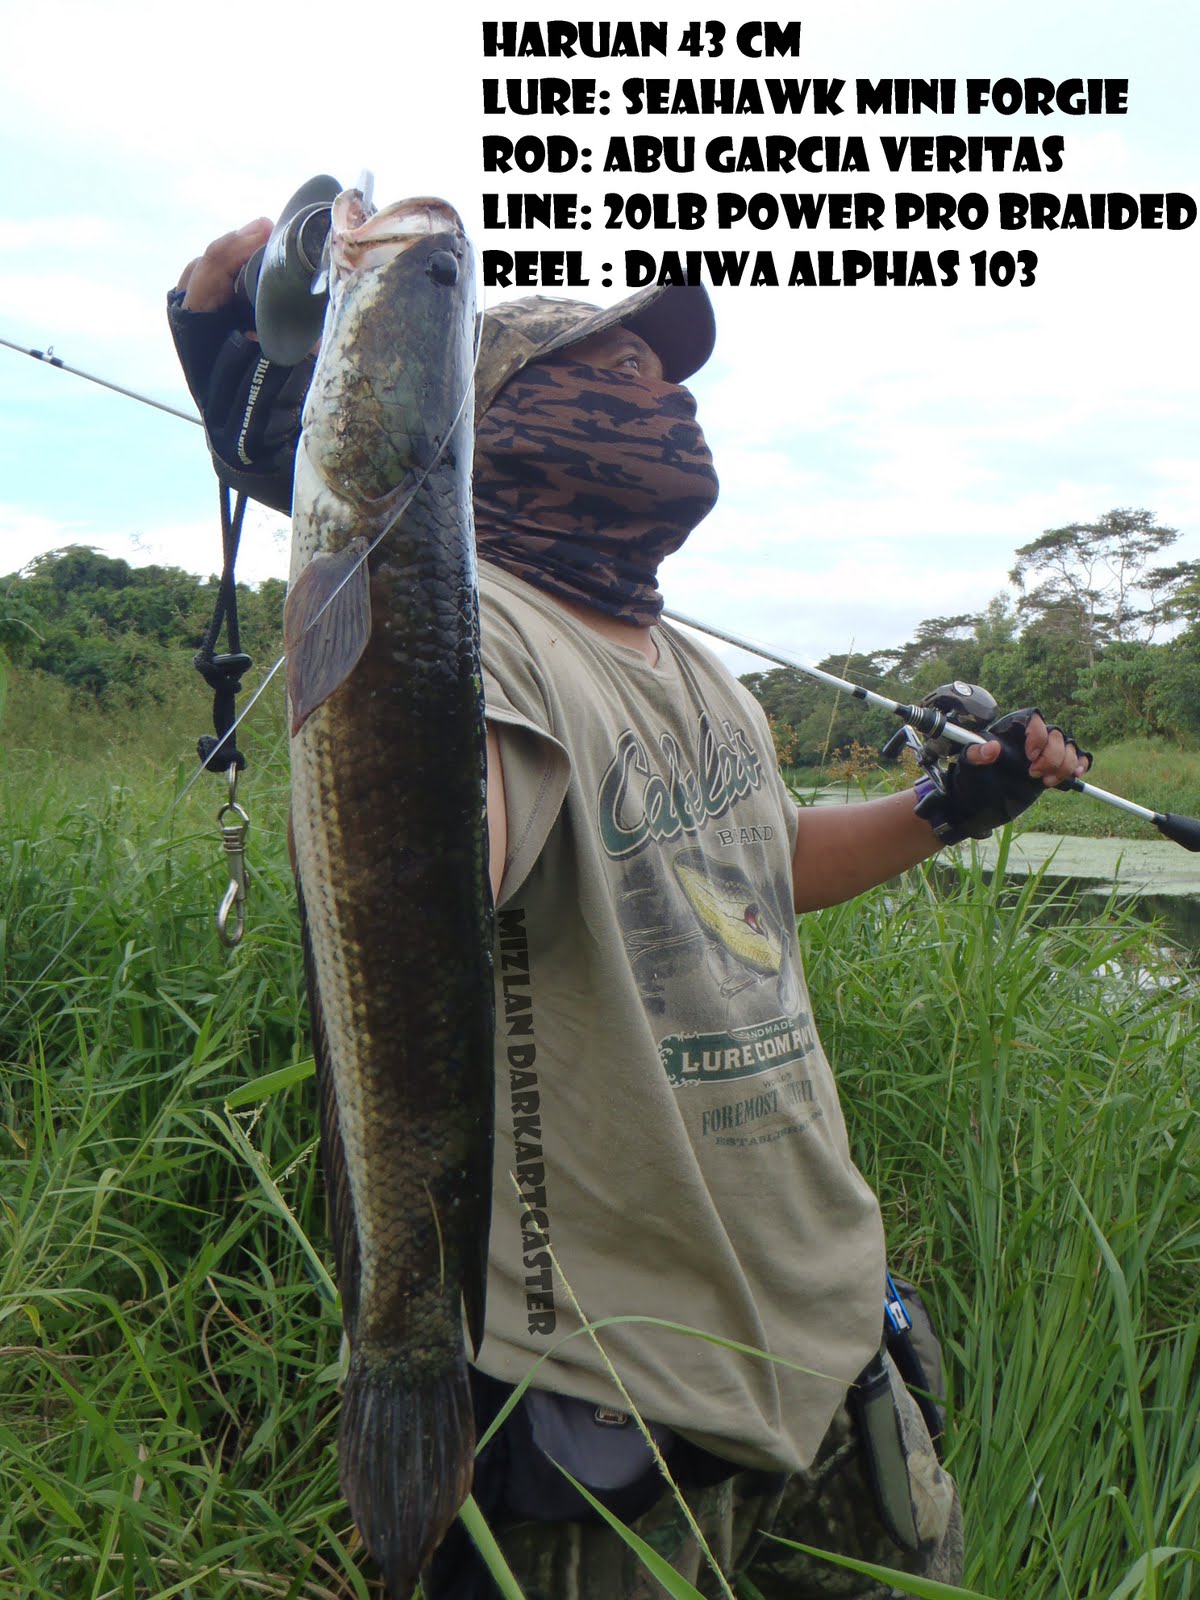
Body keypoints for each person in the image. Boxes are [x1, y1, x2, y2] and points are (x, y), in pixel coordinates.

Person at [170, 221, 1090, 1600]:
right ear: (485, 421)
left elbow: (762, 870)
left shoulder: (693, 664)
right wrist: (344, 494)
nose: (669, 400)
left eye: (672, 381)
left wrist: (948, 807)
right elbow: (425, 866)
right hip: (612, 1397)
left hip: (830, 1346)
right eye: (617, 372)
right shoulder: (483, 636)